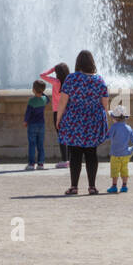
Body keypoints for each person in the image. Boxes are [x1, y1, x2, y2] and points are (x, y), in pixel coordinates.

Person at [57, 50, 109, 194]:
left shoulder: (71, 79)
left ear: (78, 63)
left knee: (75, 153)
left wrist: (59, 119)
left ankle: (74, 187)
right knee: (92, 153)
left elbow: (62, 102)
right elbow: (105, 104)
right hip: (93, 120)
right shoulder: (99, 80)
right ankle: (92, 186)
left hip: (75, 120)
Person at [41, 62, 71, 168]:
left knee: (61, 136)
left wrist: (53, 69)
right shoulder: (69, 82)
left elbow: (42, 75)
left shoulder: (56, 82)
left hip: (57, 112)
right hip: (67, 111)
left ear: (57, 72)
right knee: (69, 135)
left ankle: (64, 160)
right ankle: (70, 159)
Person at [105, 106, 133, 194]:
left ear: (114, 118)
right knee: (124, 170)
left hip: (115, 154)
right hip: (126, 154)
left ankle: (114, 186)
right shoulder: (128, 128)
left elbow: (108, 136)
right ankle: (124, 186)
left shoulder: (114, 127)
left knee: (115, 170)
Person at [24, 80, 49, 170]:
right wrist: (42, 92)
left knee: (32, 144)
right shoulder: (44, 99)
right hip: (41, 124)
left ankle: (31, 164)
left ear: (34, 90)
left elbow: (28, 113)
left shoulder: (31, 100)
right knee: (40, 144)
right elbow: (48, 99)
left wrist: (25, 121)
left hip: (32, 124)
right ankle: (41, 163)